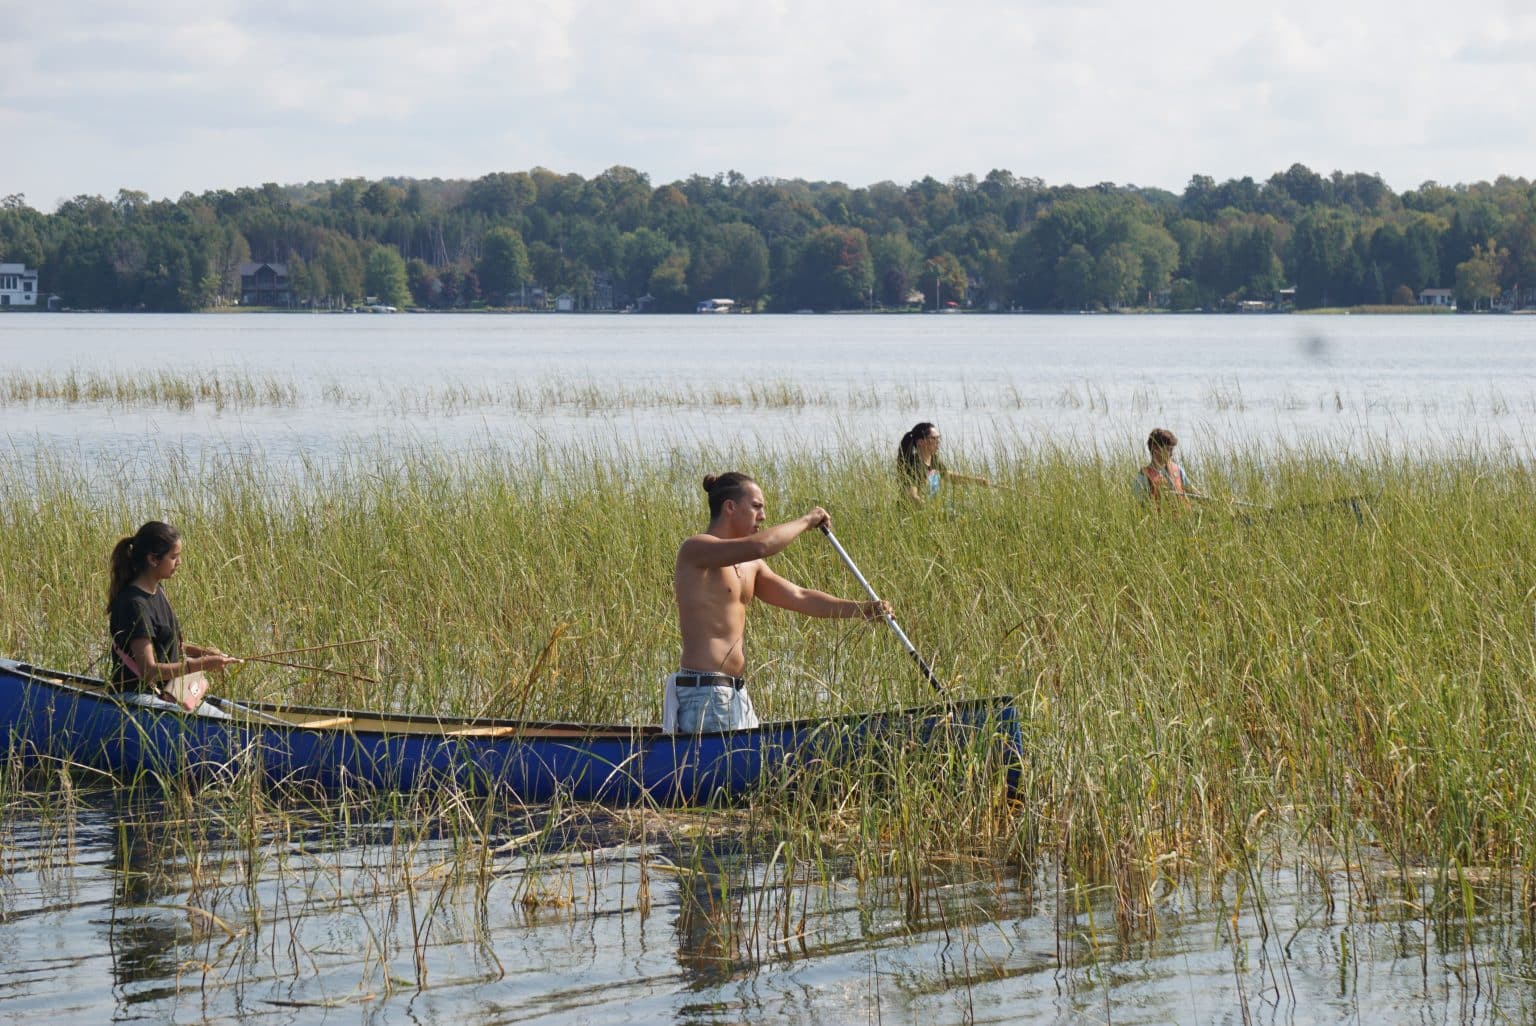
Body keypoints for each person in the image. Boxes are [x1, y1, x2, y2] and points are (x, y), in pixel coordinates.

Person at [668, 473, 890, 733]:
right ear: (730, 507)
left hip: (737, 693)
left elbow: (800, 597)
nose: (762, 516)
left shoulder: (752, 565)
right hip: (704, 693)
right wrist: (807, 521)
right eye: (756, 507)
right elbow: (762, 546)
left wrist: (862, 610)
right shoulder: (696, 549)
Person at [107, 521, 239, 706]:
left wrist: (204, 653)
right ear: (153, 559)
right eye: (174, 557)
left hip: (167, 694)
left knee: (227, 714)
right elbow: (149, 671)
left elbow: (166, 644)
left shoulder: (157, 590)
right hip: (137, 697)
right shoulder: (134, 605)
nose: (180, 562)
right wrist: (202, 664)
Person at [897, 422, 990, 504]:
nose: (938, 442)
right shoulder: (914, 465)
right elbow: (911, 496)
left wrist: (976, 481)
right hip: (917, 514)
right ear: (921, 442)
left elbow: (947, 476)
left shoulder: (933, 459)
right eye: (933, 438)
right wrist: (932, 511)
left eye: (938, 438)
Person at [1135, 428, 1202, 507]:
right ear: (1155, 449)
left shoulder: (1178, 470)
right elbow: (1139, 506)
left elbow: (1192, 491)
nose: (1171, 454)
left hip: (1182, 518)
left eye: (1172, 450)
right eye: (1168, 450)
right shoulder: (1142, 477)